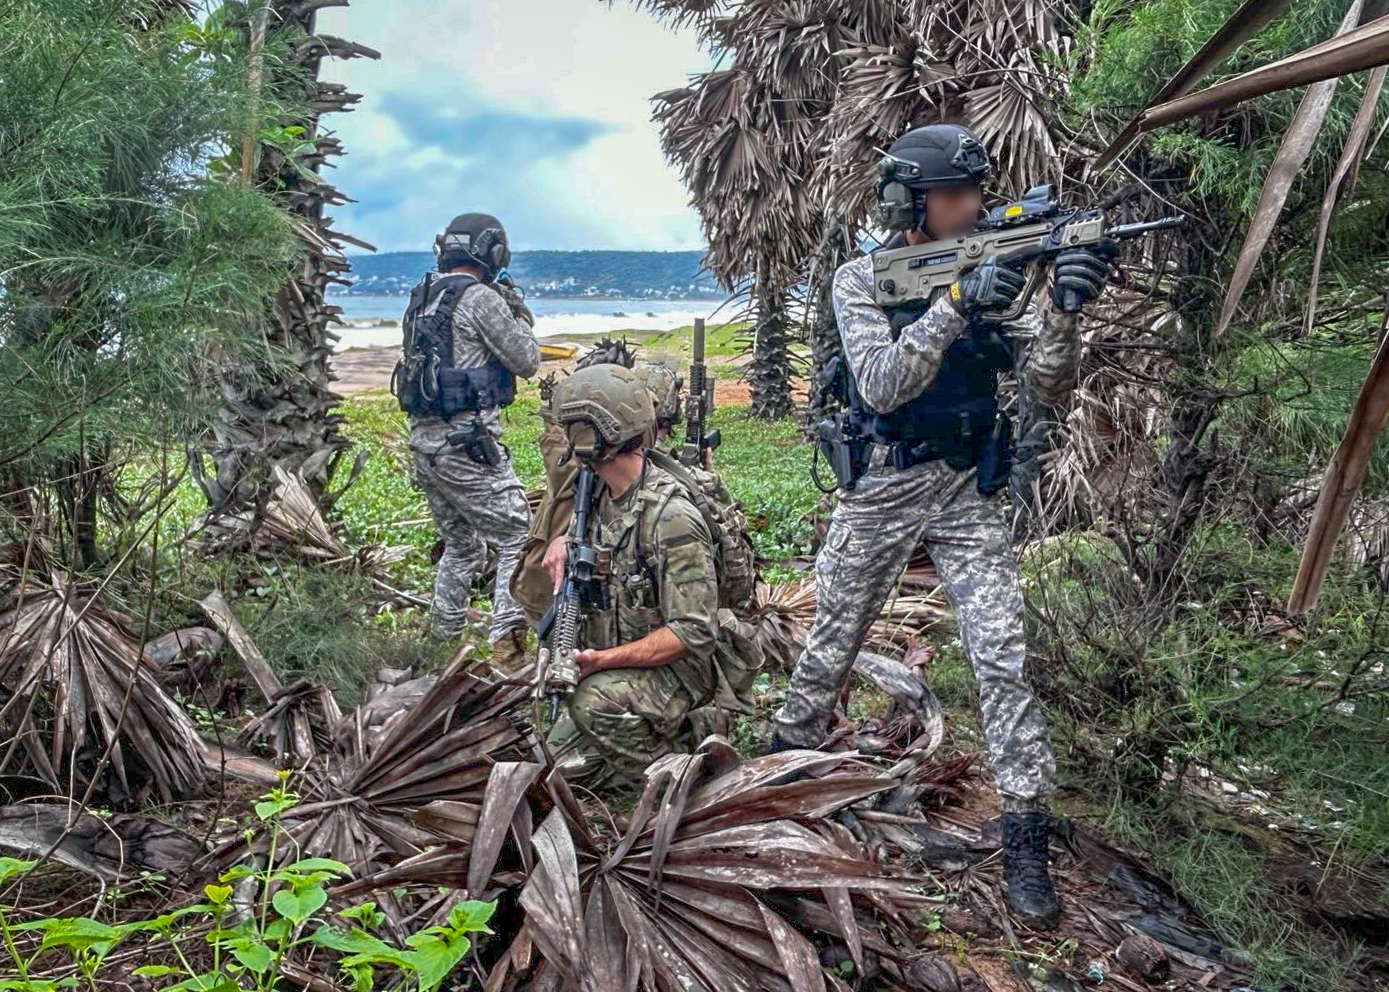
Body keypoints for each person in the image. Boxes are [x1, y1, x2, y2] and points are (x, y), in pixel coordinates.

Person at [770, 124, 1113, 929]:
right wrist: (955, 304)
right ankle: (777, 776)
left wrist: (1062, 307)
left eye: (975, 193)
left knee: (1001, 657)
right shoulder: (861, 279)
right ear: (910, 202)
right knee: (830, 645)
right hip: (885, 483)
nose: (971, 207)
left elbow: (1046, 385)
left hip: (966, 484)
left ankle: (1024, 831)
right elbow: (884, 385)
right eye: (954, 195)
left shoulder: (995, 261)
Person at [541, 364, 750, 785]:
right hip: (631, 652)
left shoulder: (670, 518)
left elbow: (694, 633)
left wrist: (602, 662)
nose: (563, 438)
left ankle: (674, 773)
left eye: (570, 429)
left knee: (591, 706)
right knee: (555, 757)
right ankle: (679, 729)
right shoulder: (597, 488)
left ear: (591, 436)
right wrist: (561, 540)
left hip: (685, 666)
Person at [394, 213, 540, 670]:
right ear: (494, 252)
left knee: (462, 546)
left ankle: (440, 646)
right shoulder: (479, 299)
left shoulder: (422, 297)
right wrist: (516, 311)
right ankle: (507, 649)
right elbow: (527, 360)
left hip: (425, 445)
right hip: (466, 446)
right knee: (519, 533)